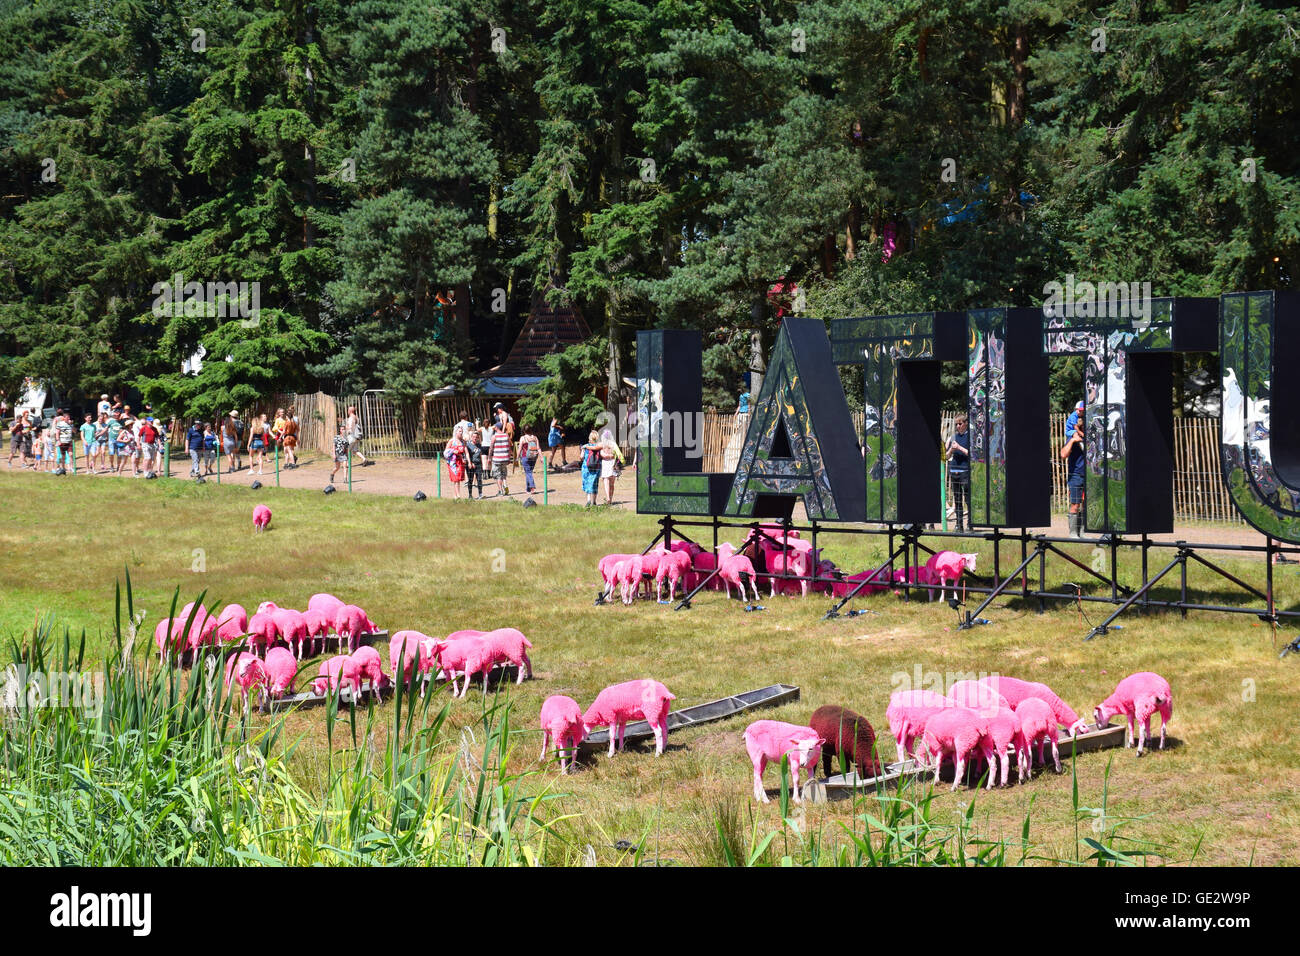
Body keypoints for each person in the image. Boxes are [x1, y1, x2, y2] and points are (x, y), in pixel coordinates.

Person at [1061, 401, 1086, 538]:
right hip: (1076, 474)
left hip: (1089, 474)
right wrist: (1072, 440)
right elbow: (1063, 454)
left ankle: (1083, 532)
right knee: (1075, 503)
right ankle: (1073, 533)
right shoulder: (1072, 435)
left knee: (1086, 505)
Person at [945, 413, 971, 532]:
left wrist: (959, 448)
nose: (958, 426)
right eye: (956, 424)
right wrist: (951, 449)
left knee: (967, 499)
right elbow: (946, 456)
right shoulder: (953, 437)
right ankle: (958, 524)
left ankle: (970, 524)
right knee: (957, 499)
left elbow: (973, 454)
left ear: (965, 423)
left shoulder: (970, 437)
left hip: (965, 471)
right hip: (954, 471)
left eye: (960, 424)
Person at [599, 433, 625, 505]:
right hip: (613, 464)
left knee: (606, 481)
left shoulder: (602, 444)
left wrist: (605, 455)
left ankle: (608, 497)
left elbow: (598, 452)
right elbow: (619, 454)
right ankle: (610, 499)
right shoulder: (613, 444)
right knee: (612, 484)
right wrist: (623, 461)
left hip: (605, 464)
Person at [444, 425, 468, 499]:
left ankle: (456, 495)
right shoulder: (452, 441)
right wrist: (453, 451)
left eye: (462, 431)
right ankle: (457, 495)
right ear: (456, 432)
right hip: (453, 463)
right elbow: (445, 452)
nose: (461, 433)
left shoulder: (463, 441)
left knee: (458, 479)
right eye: (460, 431)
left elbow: (465, 452)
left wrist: (466, 459)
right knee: (455, 478)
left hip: (460, 462)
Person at [490, 419, 512, 495]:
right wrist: (509, 457)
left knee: (498, 475)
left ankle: (500, 491)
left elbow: (491, 448)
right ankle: (505, 486)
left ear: (496, 427)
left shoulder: (494, 436)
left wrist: (489, 458)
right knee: (503, 474)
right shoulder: (506, 435)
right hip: (505, 458)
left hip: (497, 459)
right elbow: (509, 447)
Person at [580, 430, 602, 506]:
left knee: (587, 483)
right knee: (594, 484)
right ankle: (594, 501)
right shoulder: (599, 446)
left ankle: (589, 500)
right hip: (596, 468)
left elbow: (581, 457)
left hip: (586, 468)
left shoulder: (585, 446)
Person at [518, 424, 540, 494]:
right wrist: (541, 457)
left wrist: (517, 457)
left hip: (525, 457)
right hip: (533, 457)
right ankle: (528, 489)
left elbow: (520, 449)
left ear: (524, 430)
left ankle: (532, 487)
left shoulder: (523, 438)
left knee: (528, 472)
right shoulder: (535, 438)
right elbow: (538, 448)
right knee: (528, 472)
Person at [463, 424, 483, 499]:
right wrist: (471, 463)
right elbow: (467, 455)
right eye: (474, 437)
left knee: (479, 480)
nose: (475, 438)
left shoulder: (479, 445)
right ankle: (470, 495)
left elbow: (480, 454)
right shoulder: (468, 445)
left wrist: (482, 465)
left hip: (478, 464)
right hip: (470, 465)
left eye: (476, 437)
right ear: (471, 437)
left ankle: (480, 494)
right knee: (470, 480)